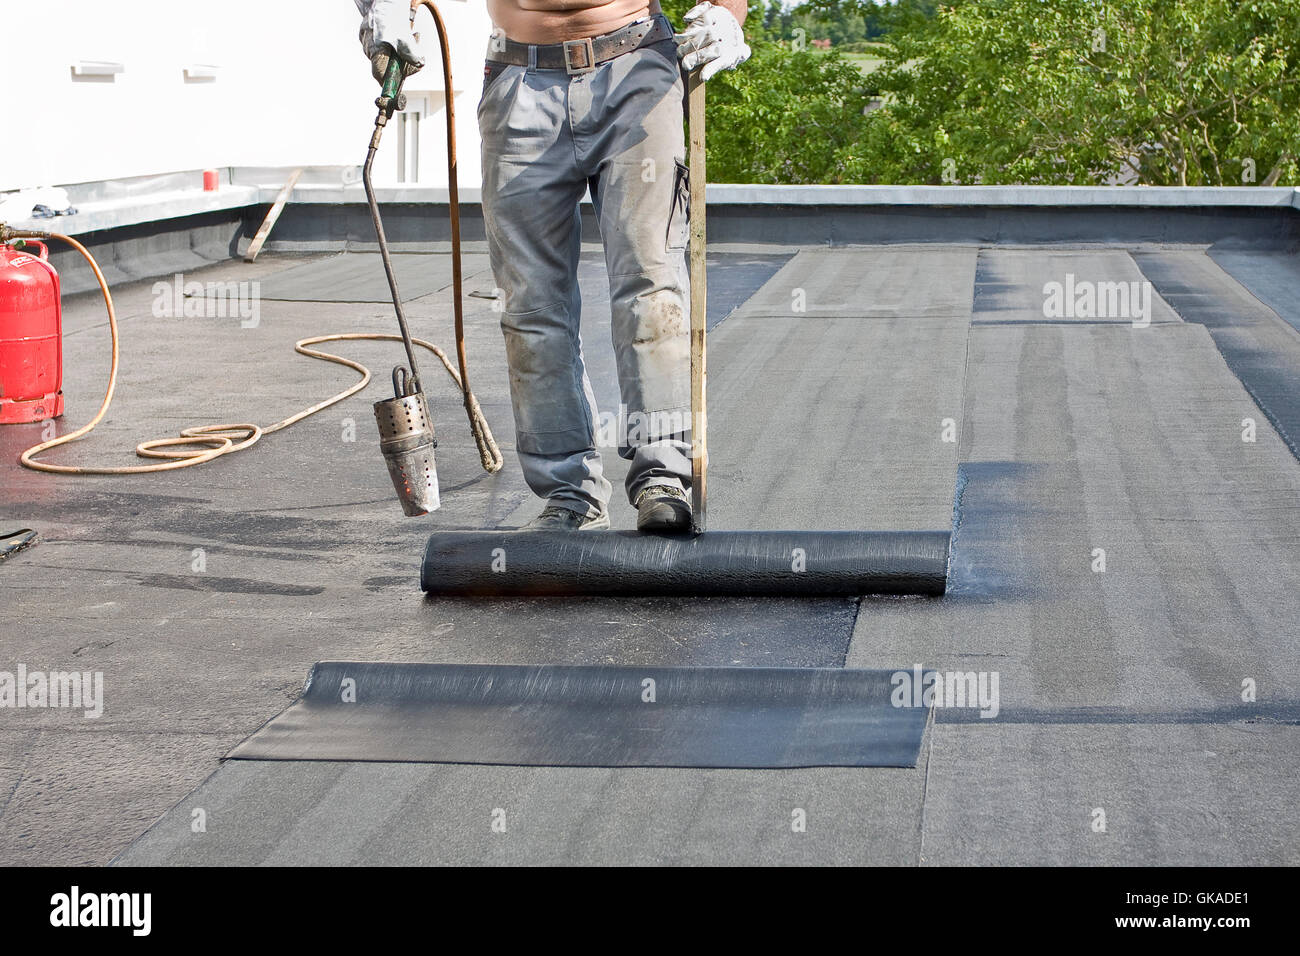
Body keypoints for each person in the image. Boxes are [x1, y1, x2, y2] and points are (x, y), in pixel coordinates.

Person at [356, 0, 749, 531]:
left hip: (635, 71)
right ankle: (570, 492)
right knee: (530, 304)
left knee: (649, 285)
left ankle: (665, 474)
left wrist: (726, 13)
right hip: (520, 79)